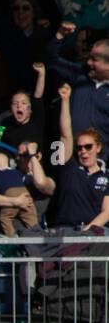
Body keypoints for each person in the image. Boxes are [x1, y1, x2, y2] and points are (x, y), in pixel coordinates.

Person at [54, 82, 109, 231]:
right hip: (66, 231)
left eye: (88, 147)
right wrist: (65, 101)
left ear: (98, 148)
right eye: (79, 148)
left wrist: (87, 232)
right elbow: (65, 134)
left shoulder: (107, 176)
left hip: (94, 233)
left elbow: (107, 212)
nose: (83, 151)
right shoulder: (69, 167)